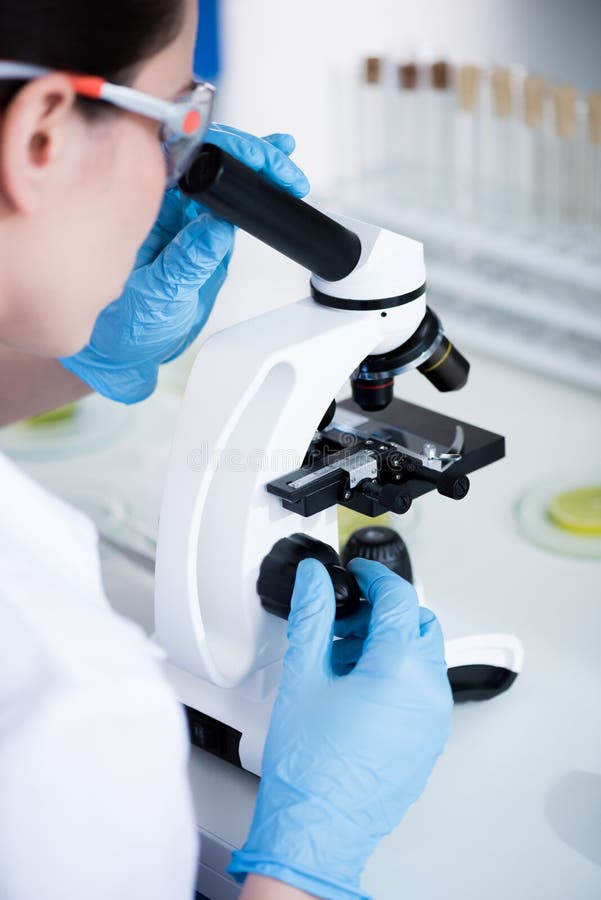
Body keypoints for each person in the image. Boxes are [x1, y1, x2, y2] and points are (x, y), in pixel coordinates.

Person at [0, 2, 453, 899]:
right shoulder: (62, 701)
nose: (177, 171)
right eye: (175, 123)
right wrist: (306, 861)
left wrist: (90, 354)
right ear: (43, 135)